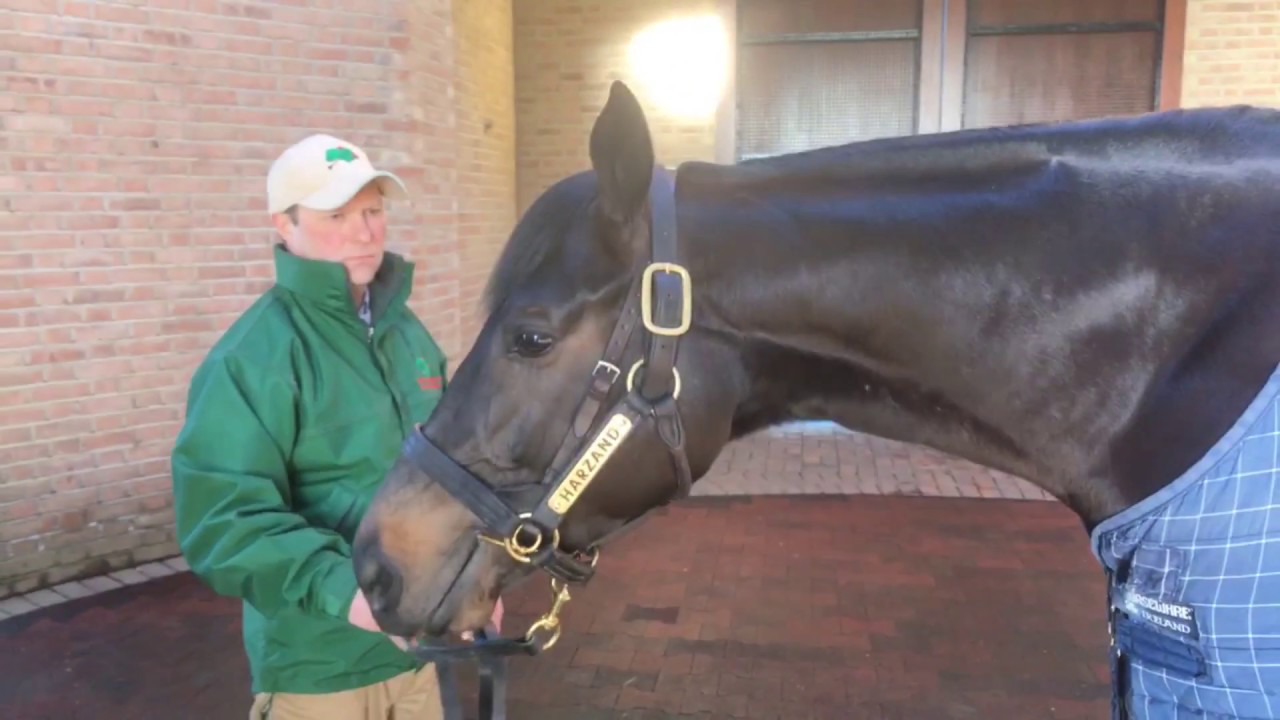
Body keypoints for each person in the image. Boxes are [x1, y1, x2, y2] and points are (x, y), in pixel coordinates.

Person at [170, 133, 501, 720]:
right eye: (337, 214)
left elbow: (451, 473)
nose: (365, 230)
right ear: (284, 224)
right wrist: (349, 594)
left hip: (416, 659)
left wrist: (474, 576)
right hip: (319, 671)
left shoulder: (407, 334)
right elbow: (223, 522)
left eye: (374, 210)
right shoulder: (253, 359)